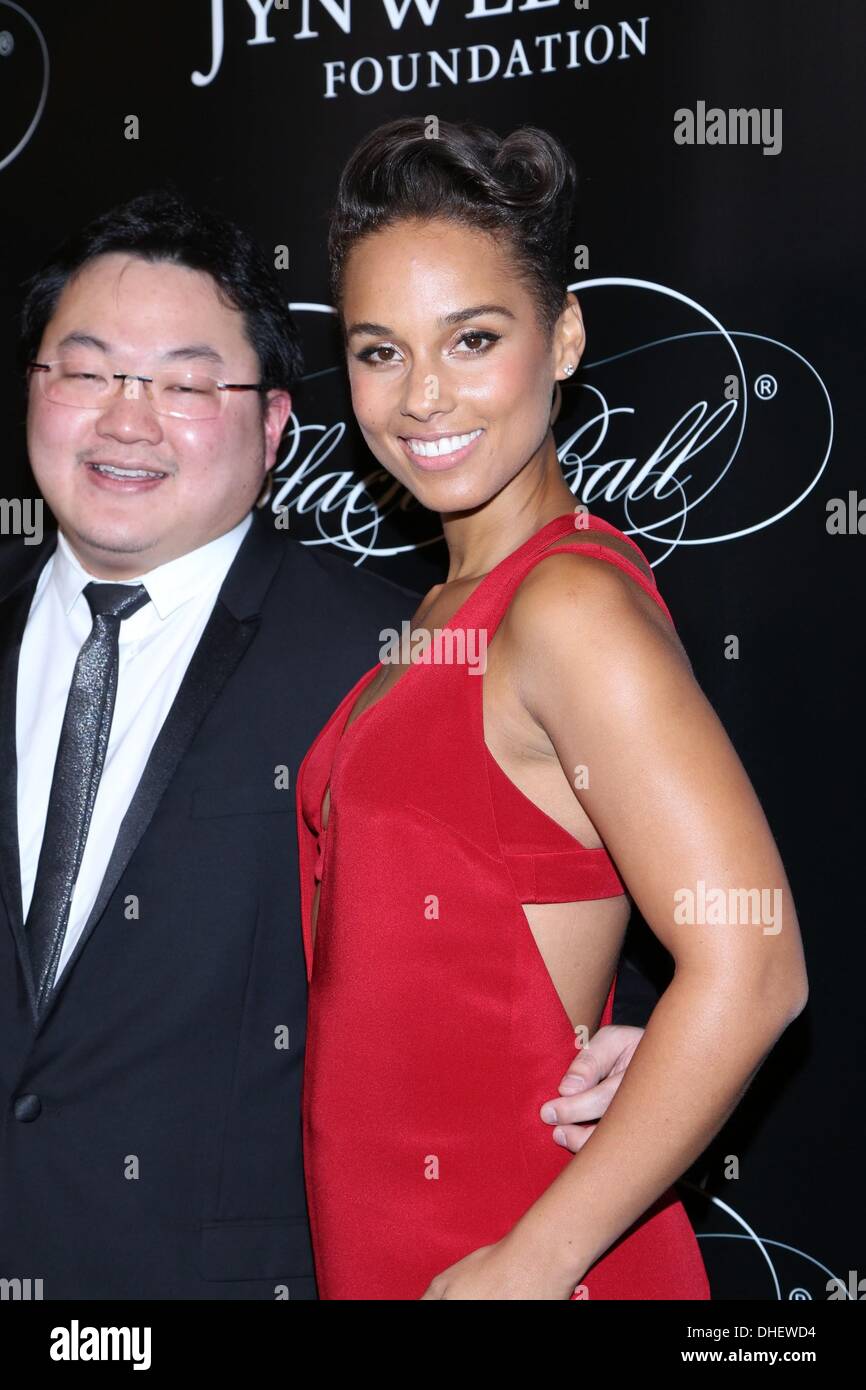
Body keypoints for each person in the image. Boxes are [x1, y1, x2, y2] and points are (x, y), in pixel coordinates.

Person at [0, 189, 641, 1300]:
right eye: (88, 369)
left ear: (276, 427)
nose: (126, 418)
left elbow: (549, 917)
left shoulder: (390, 659)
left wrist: (628, 1036)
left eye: (188, 382)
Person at [296, 118, 809, 1300]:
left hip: (505, 1252)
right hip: (399, 1245)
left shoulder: (565, 604)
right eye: (379, 352)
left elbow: (756, 964)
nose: (423, 396)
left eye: (472, 338)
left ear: (563, 335)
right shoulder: (442, 604)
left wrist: (528, 1264)